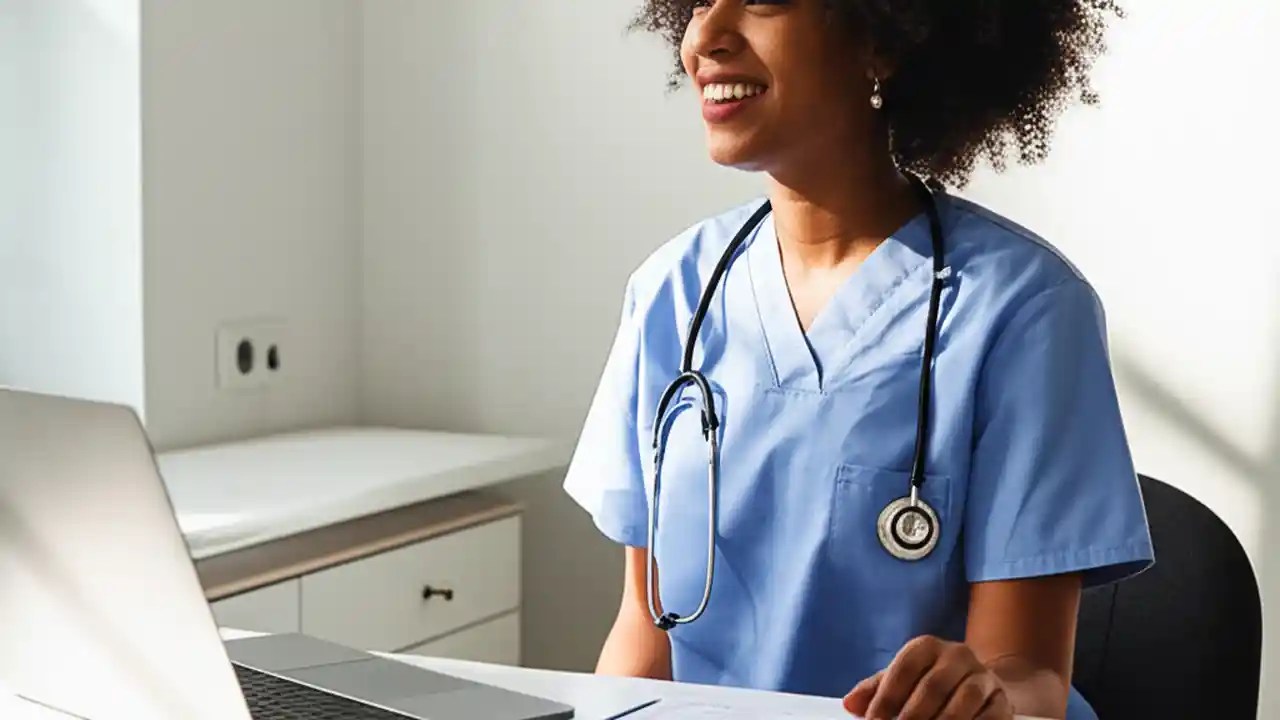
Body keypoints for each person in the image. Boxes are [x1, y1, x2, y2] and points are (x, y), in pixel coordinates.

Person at [563, 1, 1153, 718]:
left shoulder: (1021, 309)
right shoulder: (672, 293)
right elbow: (644, 635)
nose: (705, 38)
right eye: (695, 3)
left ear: (881, 40)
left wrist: (980, 690)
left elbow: (1028, 675)